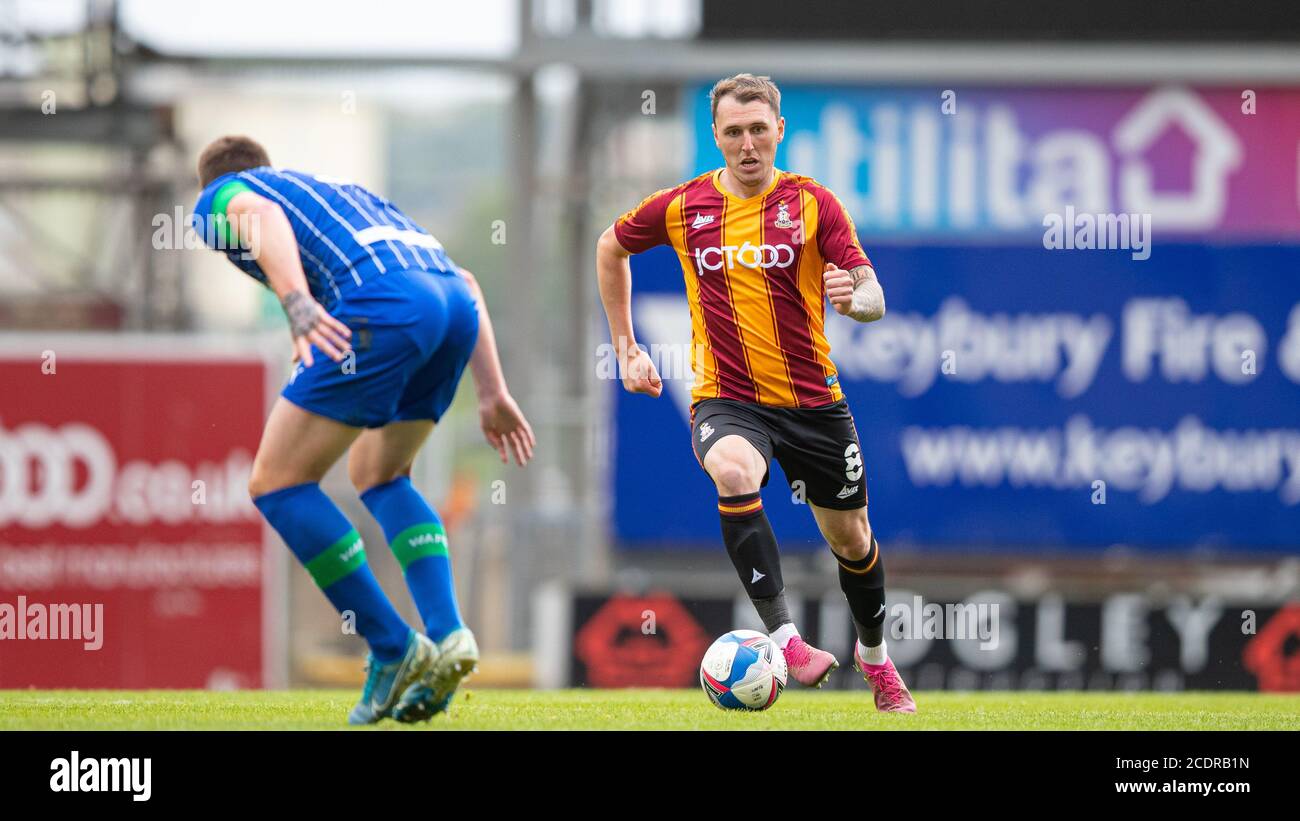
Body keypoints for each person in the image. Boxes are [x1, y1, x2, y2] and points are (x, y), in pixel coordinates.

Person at [594, 75, 915, 712]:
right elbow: (610, 246)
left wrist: (860, 303)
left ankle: (875, 660)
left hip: (814, 403)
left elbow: (870, 288)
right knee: (733, 470)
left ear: (779, 131)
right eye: (733, 132)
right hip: (728, 398)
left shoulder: (813, 203)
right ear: (714, 137)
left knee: (851, 539)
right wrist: (626, 345)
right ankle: (787, 640)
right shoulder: (683, 206)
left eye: (757, 130)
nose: (746, 145)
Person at [190, 135, 535, 724]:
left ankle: (391, 646)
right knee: (380, 474)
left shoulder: (223, 198)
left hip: (385, 307)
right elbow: (469, 284)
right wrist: (493, 391)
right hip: (451, 310)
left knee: (278, 484)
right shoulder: (348, 197)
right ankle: (449, 634)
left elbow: (261, 216)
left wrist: (296, 303)